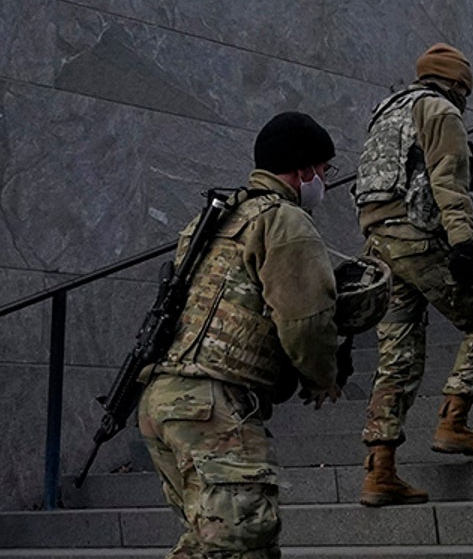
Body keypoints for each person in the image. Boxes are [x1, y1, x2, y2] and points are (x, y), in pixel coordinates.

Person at [137, 111, 342, 558]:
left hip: (163, 399)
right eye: (325, 170)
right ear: (303, 170)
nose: (325, 181)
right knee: (243, 540)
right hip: (212, 404)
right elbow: (305, 319)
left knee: (209, 543)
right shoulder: (285, 220)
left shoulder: (215, 220)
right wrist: (322, 376)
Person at [354, 44, 473, 506]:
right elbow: (447, 181)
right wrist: (462, 244)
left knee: (396, 359)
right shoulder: (440, 111)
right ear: (458, 84)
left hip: (379, 244)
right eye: (466, 89)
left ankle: (380, 470)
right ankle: (453, 422)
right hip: (420, 240)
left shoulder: (387, 110)